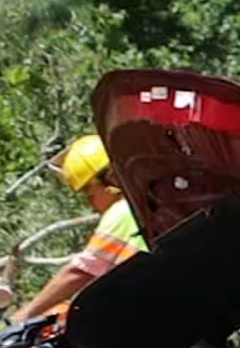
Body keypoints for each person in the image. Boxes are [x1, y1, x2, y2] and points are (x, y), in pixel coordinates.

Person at [12, 135, 144, 323]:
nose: (91, 204)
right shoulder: (154, 203)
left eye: (89, 194)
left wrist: (25, 314)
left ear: (111, 178)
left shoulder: (122, 211)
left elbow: (80, 272)